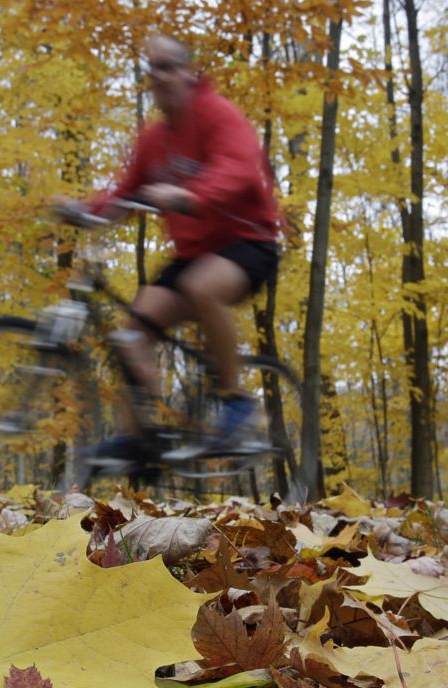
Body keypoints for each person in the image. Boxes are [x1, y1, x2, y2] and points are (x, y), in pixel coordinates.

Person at [55, 34, 280, 470]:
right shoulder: (154, 139)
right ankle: (137, 438)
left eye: (166, 66)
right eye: (151, 68)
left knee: (201, 286)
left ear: (187, 73)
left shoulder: (217, 114)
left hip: (249, 242)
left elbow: (239, 170)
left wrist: (187, 195)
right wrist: (85, 211)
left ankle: (235, 401)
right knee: (135, 328)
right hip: (194, 253)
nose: (156, 76)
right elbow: (125, 193)